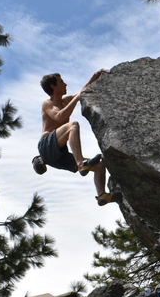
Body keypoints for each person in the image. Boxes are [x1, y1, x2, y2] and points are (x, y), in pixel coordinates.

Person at [33, 70, 120, 206]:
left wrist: (95, 76)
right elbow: (59, 116)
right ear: (52, 86)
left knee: (99, 164)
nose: (65, 84)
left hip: (59, 153)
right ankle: (81, 163)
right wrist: (78, 96)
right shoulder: (47, 104)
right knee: (72, 125)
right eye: (61, 82)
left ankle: (102, 195)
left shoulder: (65, 100)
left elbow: (82, 91)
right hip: (46, 146)